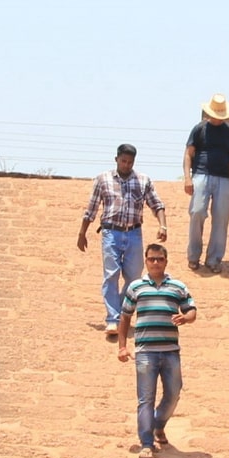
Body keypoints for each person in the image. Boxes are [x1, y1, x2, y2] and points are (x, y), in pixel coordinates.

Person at [77, 144, 168, 338]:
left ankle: (118, 311)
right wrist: (82, 233)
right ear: (116, 159)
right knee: (111, 274)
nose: (126, 165)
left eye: (130, 162)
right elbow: (91, 208)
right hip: (111, 233)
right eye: (123, 161)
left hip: (134, 233)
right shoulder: (103, 180)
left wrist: (163, 225)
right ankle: (113, 319)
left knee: (134, 277)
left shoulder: (143, 181)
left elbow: (157, 204)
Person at [117, 243, 197, 458]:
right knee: (146, 398)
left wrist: (185, 318)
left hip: (171, 351)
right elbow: (125, 317)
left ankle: (158, 424)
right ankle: (146, 443)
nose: (155, 263)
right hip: (145, 352)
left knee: (173, 393)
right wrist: (122, 346)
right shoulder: (136, 287)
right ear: (145, 261)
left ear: (165, 261)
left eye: (159, 259)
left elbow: (191, 311)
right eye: (151, 259)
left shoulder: (178, 287)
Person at [184, 94, 229, 273]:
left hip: (223, 177)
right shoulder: (199, 129)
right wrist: (187, 178)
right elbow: (188, 154)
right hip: (201, 174)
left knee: (221, 218)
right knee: (197, 212)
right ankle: (193, 256)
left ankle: (214, 259)